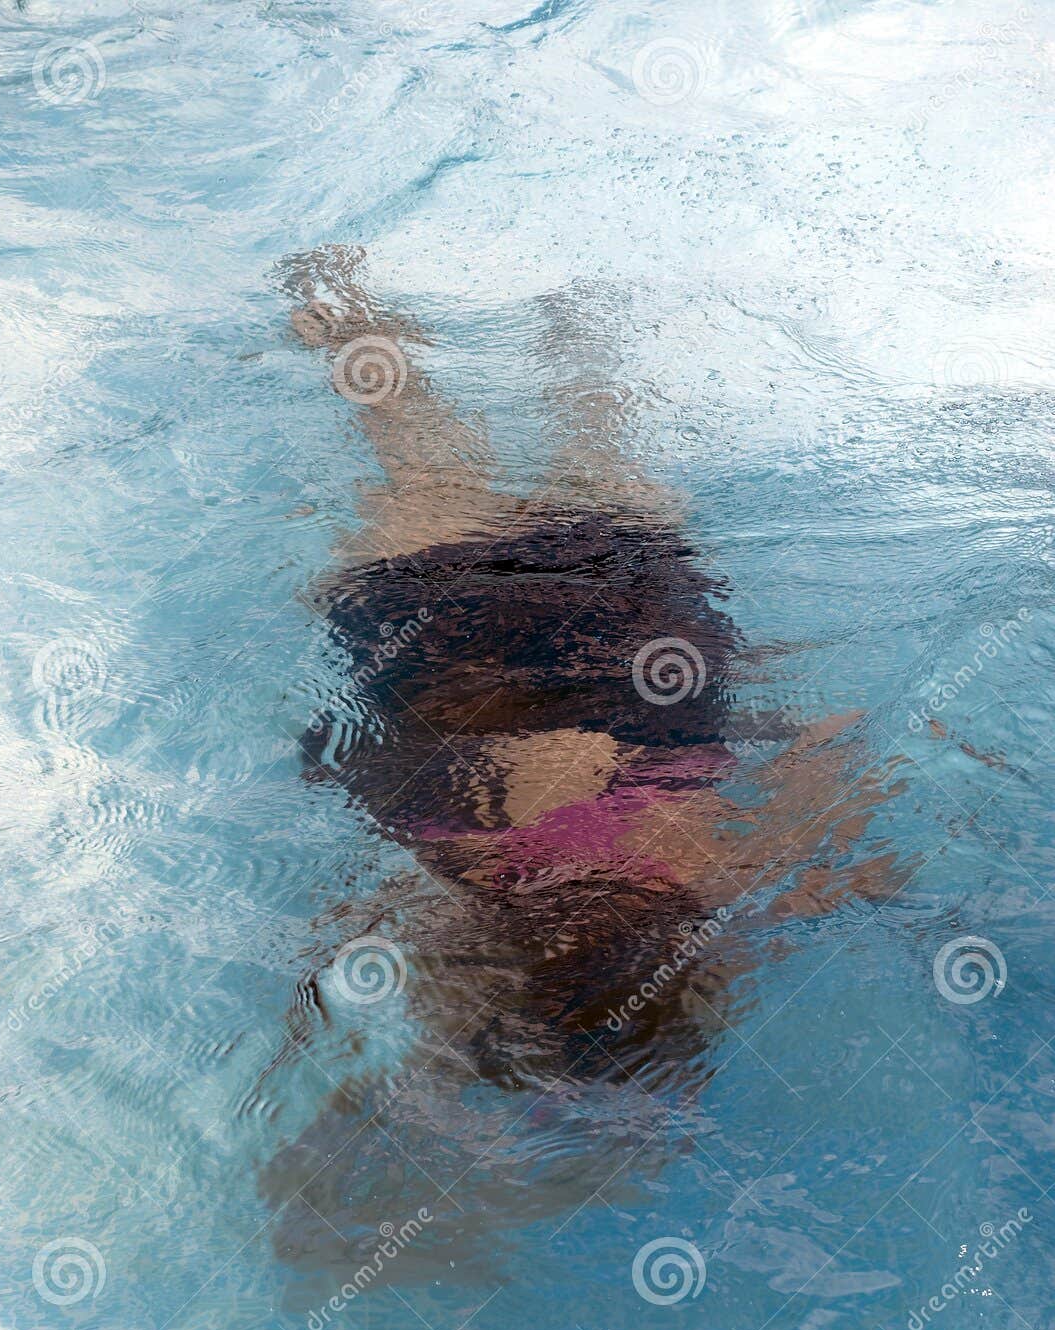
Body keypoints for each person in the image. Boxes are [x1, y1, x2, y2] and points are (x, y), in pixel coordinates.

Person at [257, 247, 905, 1273]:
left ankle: (578, 304)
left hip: (632, 642)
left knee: (594, 440)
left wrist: (834, 820)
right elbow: (353, 946)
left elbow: (832, 752)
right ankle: (339, 302)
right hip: (451, 655)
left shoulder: (727, 891)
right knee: (419, 457)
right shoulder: (460, 923)